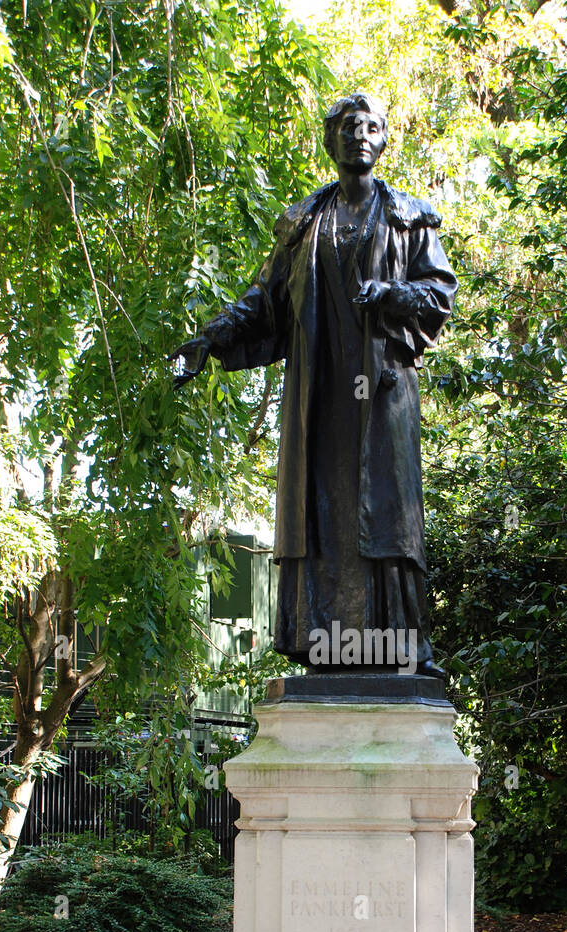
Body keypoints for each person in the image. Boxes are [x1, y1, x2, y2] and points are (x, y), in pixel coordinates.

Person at [171, 94, 457, 677]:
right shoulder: (303, 223)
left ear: (383, 140)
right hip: (320, 394)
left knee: (386, 514)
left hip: (380, 393)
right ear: (331, 141)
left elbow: (439, 294)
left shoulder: (410, 217)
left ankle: (404, 648)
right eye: (349, 127)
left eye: (371, 127)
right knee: (323, 514)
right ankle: (324, 642)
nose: (360, 136)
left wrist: (391, 294)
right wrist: (210, 338)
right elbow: (266, 300)